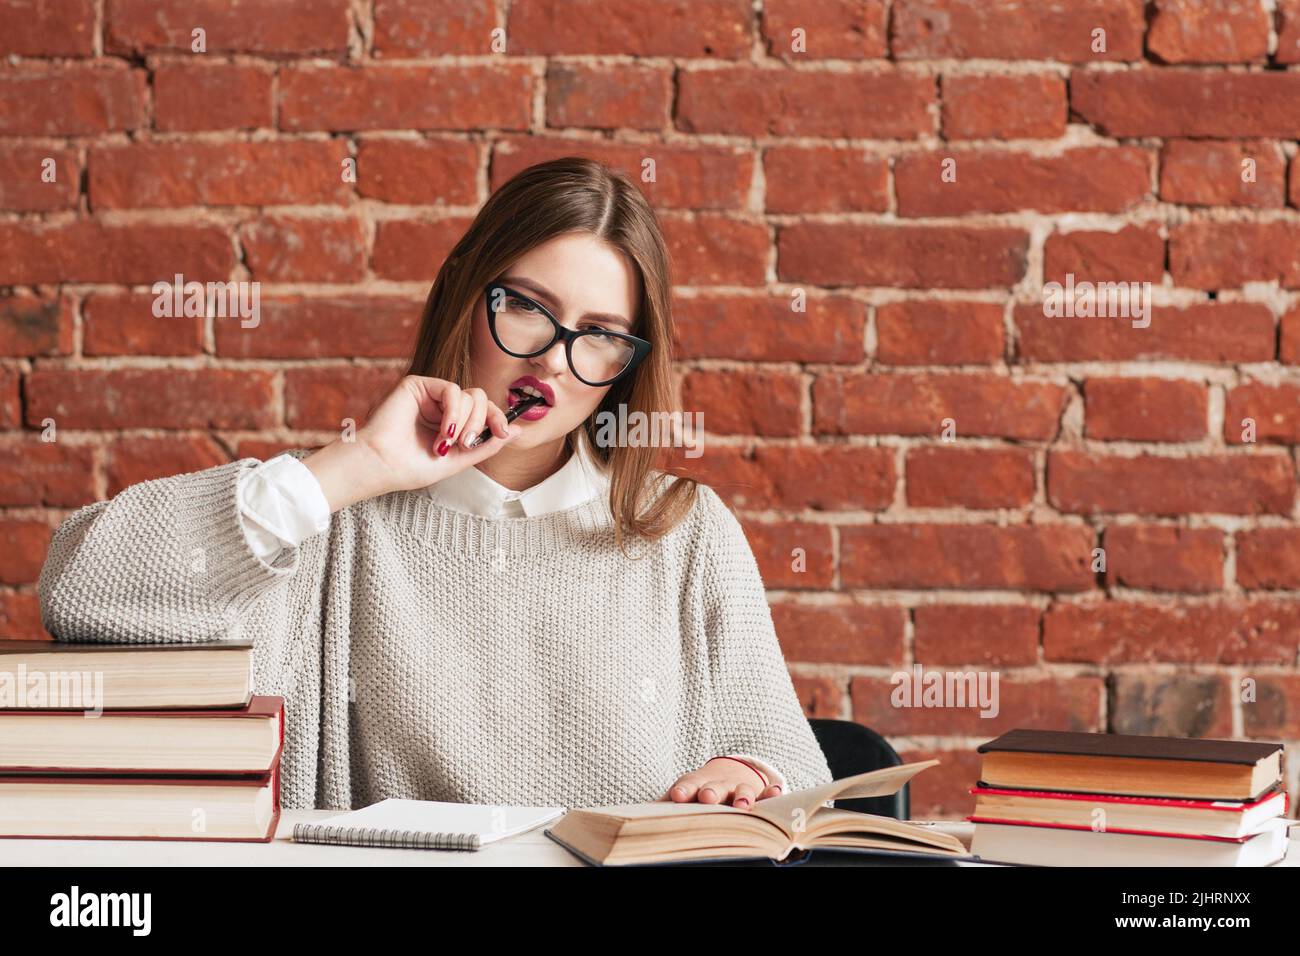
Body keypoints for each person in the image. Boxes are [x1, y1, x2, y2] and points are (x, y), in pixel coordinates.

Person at [38, 156, 834, 812]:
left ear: (627, 363)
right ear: (465, 291)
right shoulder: (339, 523)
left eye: (598, 336)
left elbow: (791, 763)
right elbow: (82, 588)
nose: (554, 361)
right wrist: (350, 471)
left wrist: (749, 772)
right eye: (528, 309)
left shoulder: (685, 530)